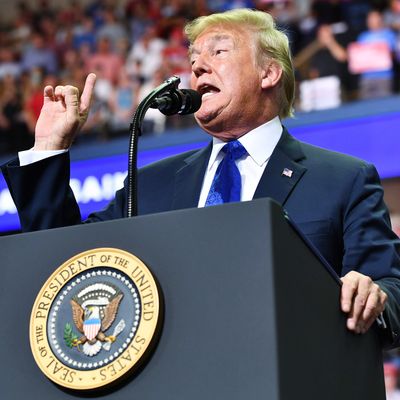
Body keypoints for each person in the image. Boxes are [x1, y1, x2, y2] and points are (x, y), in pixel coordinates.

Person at [1, 8, 400, 347]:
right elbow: (69, 264)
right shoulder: (151, 185)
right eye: (194, 58)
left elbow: (390, 291)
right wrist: (49, 148)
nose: (196, 66)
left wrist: (374, 295)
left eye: (219, 50)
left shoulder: (343, 179)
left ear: (269, 73)